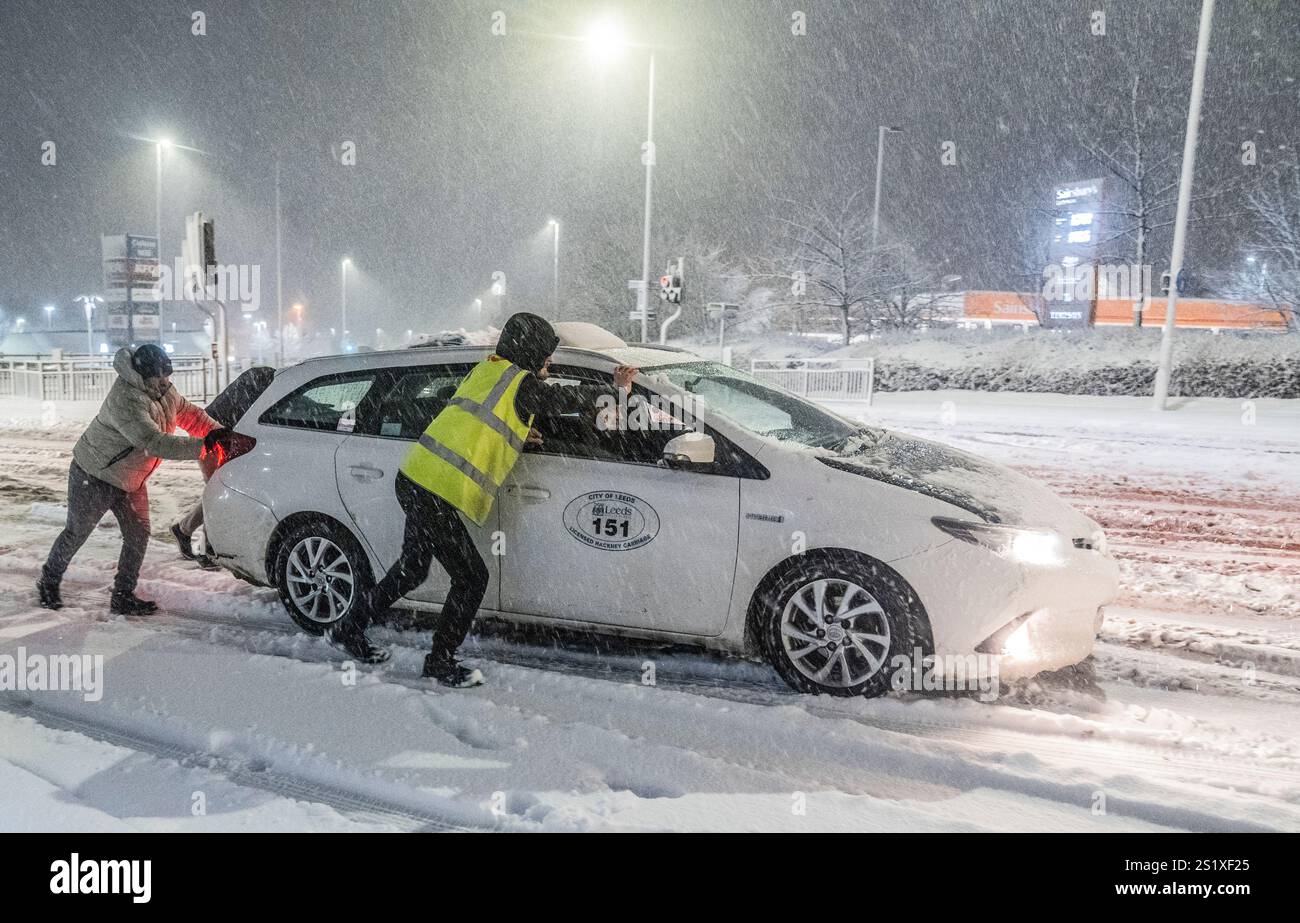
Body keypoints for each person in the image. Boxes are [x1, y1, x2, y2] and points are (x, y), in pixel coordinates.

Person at [327, 312, 637, 687]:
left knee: (413, 568)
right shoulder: (521, 383)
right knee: (472, 578)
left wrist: (521, 434)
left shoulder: (490, 370)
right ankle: (440, 661)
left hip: (416, 478)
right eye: (547, 356)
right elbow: (564, 398)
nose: (549, 363)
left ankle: (349, 628)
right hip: (435, 490)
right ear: (532, 351)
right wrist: (616, 388)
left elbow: (481, 422)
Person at [37, 344, 229, 614]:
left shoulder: (164, 391)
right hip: (95, 475)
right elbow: (154, 442)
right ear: (144, 373)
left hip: (131, 480)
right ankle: (48, 580)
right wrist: (205, 446)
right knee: (77, 533)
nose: (165, 382)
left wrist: (221, 434)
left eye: (167, 375)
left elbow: (191, 415)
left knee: (138, 535)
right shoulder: (125, 399)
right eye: (160, 376)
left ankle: (123, 596)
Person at [171, 365, 277, 568]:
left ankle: (183, 530)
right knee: (219, 496)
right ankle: (206, 550)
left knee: (219, 494)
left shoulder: (257, 380)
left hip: (214, 437)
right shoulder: (264, 385)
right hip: (213, 440)